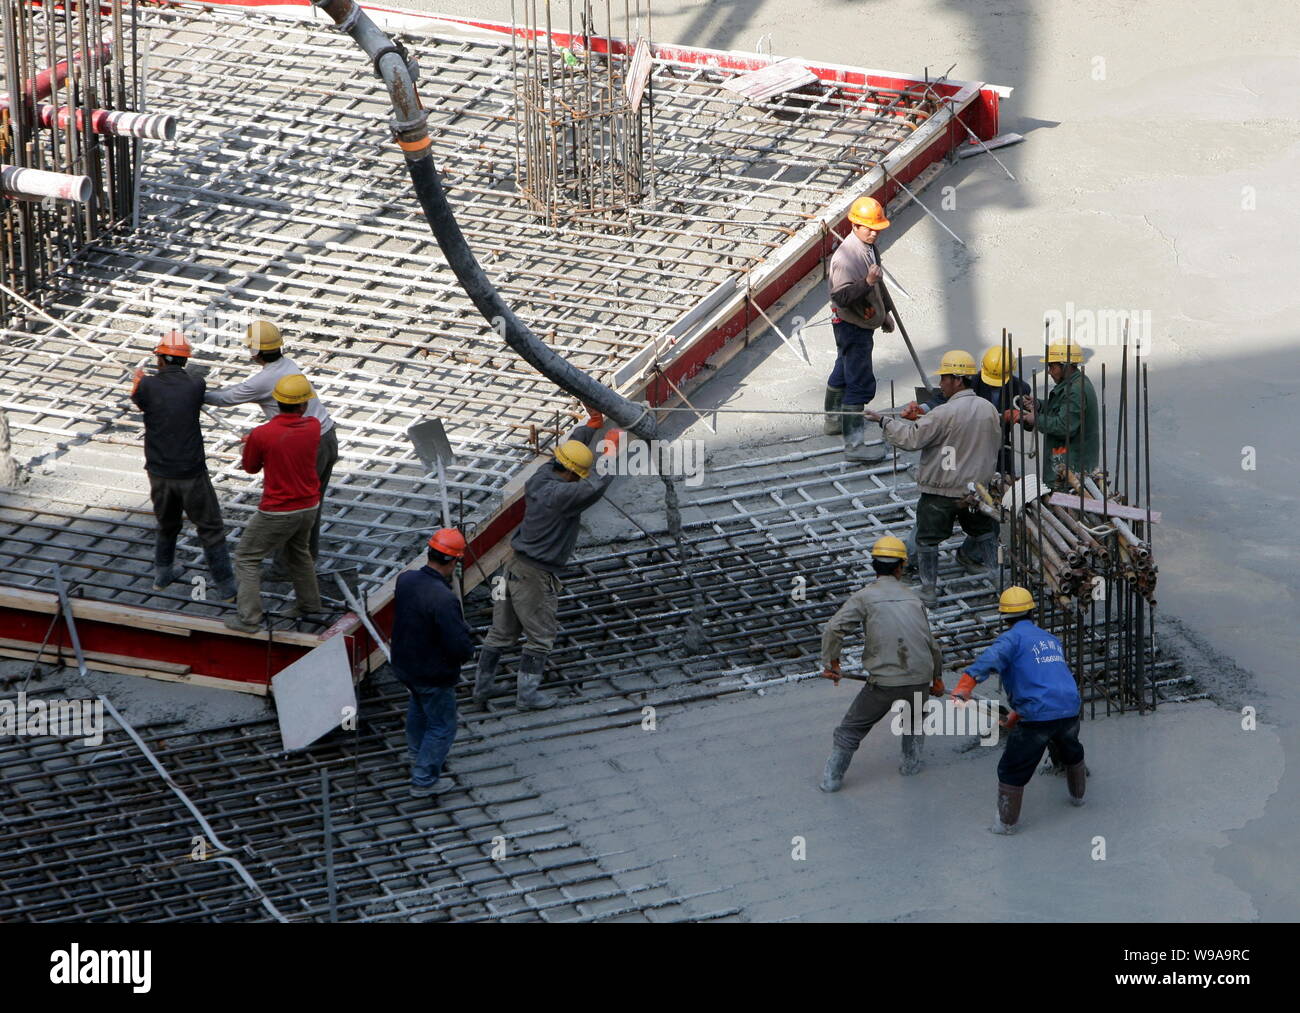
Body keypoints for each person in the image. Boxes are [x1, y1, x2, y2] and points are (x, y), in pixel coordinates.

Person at [473, 409, 623, 709]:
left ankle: (482, 689)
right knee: (541, 637)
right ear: (571, 474)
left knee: (500, 633)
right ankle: (527, 696)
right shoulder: (563, 496)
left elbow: (571, 453)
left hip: (511, 567)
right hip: (535, 576)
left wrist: (589, 427)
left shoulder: (541, 476)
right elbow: (595, 485)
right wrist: (610, 451)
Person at [866, 351, 1001, 606]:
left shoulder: (943, 413)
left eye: (944, 379)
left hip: (942, 491)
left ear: (958, 380)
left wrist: (884, 421)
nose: (941, 384)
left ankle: (929, 590)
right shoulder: (988, 409)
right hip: (976, 491)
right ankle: (998, 581)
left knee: (927, 539)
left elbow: (911, 439)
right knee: (984, 534)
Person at [950, 586, 1086, 833]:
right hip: (1069, 708)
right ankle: (1078, 799)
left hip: (1037, 718)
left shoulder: (1011, 639)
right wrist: (1017, 713)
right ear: (1032, 612)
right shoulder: (1050, 639)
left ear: (1005, 617)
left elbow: (988, 661)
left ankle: (1005, 825)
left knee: (1011, 768)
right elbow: (1044, 679)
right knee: (1071, 750)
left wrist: (964, 686)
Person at [817, 535, 945, 791]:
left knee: (851, 729)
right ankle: (911, 766)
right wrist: (937, 679)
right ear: (900, 567)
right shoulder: (913, 598)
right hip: (919, 677)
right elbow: (932, 644)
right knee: (914, 721)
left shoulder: (865, 597)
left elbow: (834, 629)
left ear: (874, 565)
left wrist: (832, 664)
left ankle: (831, 781)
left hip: (884, 681)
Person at [204, 320, 338, 562]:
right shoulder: (288, 365)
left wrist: (194, 392)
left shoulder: (265, 380)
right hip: (327, 437)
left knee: (292, 505)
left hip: (307, 446)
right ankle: (306, 558)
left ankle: (288, 566)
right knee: (312, 503)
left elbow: (227, 398)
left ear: (255, 352)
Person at [129, 332, 236, 600]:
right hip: (191, 471)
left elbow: (140, 401)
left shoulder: (148, 386)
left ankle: (162, 574)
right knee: (210, 528)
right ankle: (227, 587)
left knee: (167, 523)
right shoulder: (196, 385)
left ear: (161, 359)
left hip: (159, 471)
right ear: (184, 361)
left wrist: (138, 384)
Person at [224, 374, 323, 633]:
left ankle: (249, 619)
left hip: (279, 510)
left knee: (246, 557)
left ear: (277, 401)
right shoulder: (313, 426)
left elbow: (250, 467)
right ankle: (310, 605)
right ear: (302, 405)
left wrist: (249, 444)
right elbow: (286, 440)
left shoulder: (262, 434)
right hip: (309, 506)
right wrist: (258, 441)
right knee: (299, 553)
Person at [390, 529, 475, 799]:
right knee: (442, 725)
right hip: (432, 673)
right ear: (453, 562)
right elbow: (457, 644)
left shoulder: (406, 580)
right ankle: (424, 780)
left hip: (405, 665)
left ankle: (417, 754)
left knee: (419, 707)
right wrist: (465, 652)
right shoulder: (444, 599)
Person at [825, 195, 894, 461]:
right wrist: (867, 281)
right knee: (860, 382)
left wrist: (884, 312)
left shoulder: (869, 247)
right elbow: (840, 297)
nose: (874, 232)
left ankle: (833, 422)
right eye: (869, 228)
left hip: (861, 321)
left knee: (843, 368)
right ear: (854, 225)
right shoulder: (845, 258)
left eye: (877, 228)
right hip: (852, 325)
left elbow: (878, 285)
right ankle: (854, 447)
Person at [902, 345, 1032, 476]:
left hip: (999, 443)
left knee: (1004, 484)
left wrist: (1022, 417)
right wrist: (923, 409)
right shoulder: (973, 381)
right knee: (967, 485)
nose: (993, 384)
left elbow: (1030, 423)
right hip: (969, 441)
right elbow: (944, 398)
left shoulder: (1021, 388)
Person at [1017, 342, 1098, 489]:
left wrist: (1036, 419)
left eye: (1052, 367)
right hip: (1067, 461)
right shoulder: (1073, 384)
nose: (1048, 371)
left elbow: (1064, 426)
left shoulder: (1075, 390)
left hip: (1072, 468)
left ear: (1065, 366)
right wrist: (1039, 405)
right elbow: (1061, 408)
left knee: (1064, 503)